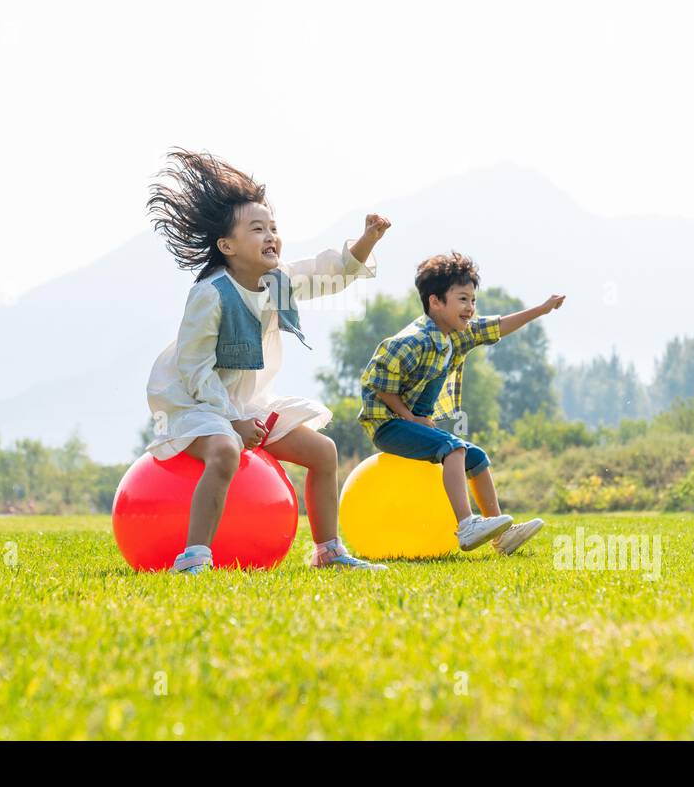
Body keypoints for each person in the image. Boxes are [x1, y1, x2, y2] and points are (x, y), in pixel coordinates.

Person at [144, 148, 391, 574]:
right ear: (227, 245)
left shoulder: (279, 282)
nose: (271, 235)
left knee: (323, 452)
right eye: (257, 229)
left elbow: (327, 271)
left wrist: (366, 241)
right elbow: (195, 369)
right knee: (224, 450)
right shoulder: (211, 294)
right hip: (196, 402)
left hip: (247, 404)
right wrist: (231, 421)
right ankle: (194, 558)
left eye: (274, 227)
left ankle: (328, 552)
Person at [358, 251, 565, 555]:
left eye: (473, 300)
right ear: (435, 302)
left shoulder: (456, 335)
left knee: (475, 456)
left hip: (411, 420)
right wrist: (409, 418)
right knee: (453, 448)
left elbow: (497, 327)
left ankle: (499, 533)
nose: (470, 308)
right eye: (463, 300)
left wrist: (542, 309)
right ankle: (466, 525)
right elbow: (376, 382)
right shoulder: (413, 340)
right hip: (387, 425)